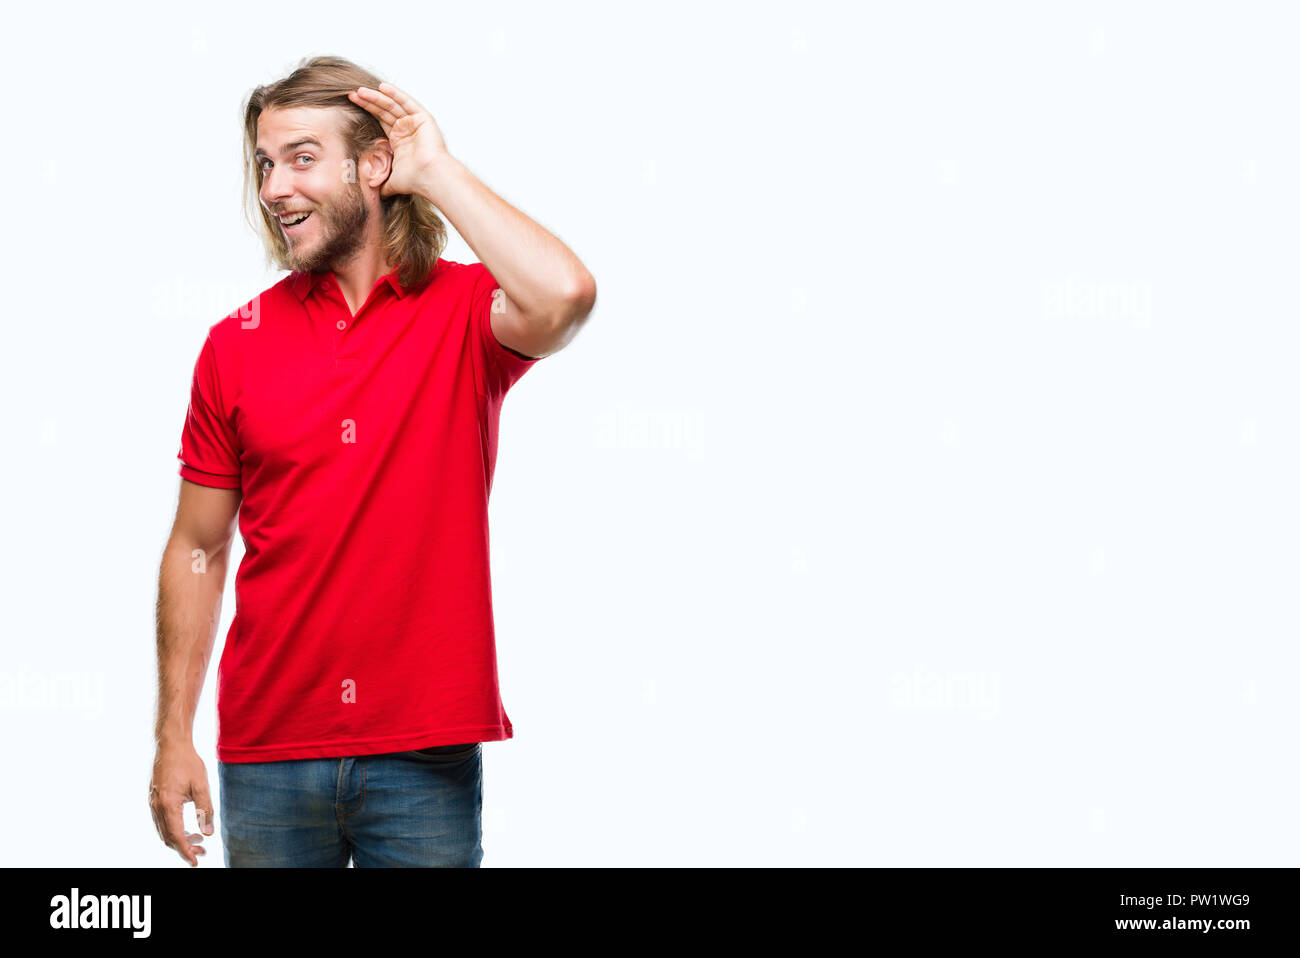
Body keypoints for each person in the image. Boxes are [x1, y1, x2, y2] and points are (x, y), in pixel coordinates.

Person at [149, 55, 596, 867]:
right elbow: (198, 547)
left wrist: (437, 170)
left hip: (423, 756)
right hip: (268, 753)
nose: (273, 187)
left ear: (375, 166)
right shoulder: (232, 346)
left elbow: (564, 295)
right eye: (264, 163)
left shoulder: (467, 314)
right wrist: (172, 734)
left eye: (302, 158)